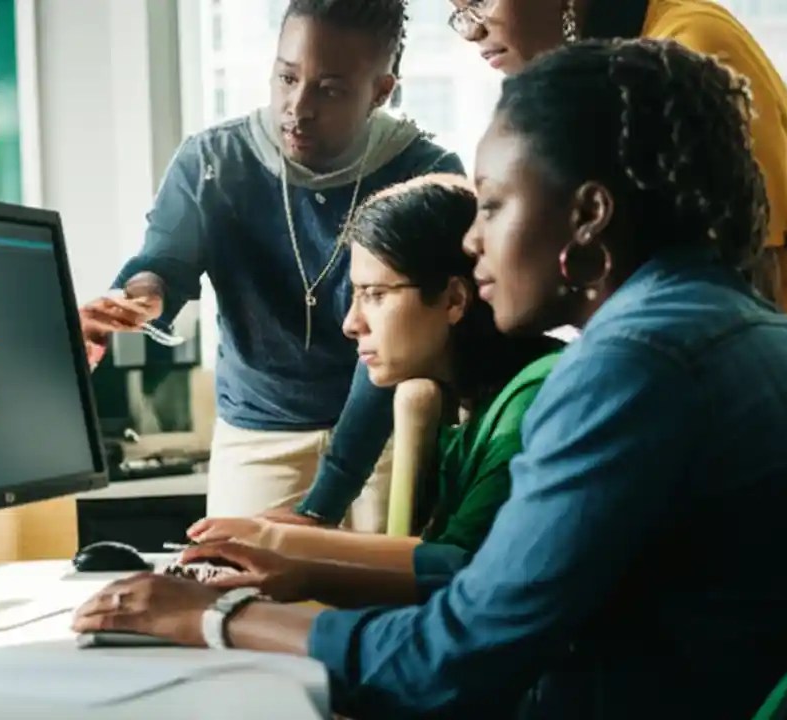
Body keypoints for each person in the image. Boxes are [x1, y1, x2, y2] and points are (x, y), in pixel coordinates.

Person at [72, 39, 787, 718]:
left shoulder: (631, 364)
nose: (470, 243)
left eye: (491, 206)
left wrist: (217, 616)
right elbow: (513, 582)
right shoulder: (764, 332)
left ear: (588, 216)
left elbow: (451, 657)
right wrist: (309, 565)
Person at [78, 0, 464, 531]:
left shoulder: (425, 172)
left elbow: (405, 344)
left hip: (389, 427)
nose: (297, 108)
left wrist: (323, 502)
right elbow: (164, 259)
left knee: (381, 580)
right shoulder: (212, 161)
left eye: (330, 90)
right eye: (286, 78)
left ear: (380, 91)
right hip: (258, 428)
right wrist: (141, 298)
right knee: (233, 576)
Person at [443, 0, 787, 419]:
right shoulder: (601, 78)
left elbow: (744, 282)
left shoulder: (687, 50)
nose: (471, 30)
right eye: (458, 13)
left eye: (481, 1)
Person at [186, 174, 562, 605]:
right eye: (355, 295)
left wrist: (279, 540)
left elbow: (466, 564)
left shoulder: (535, 398)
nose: (352, 323)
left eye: (375, 295)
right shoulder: (463, 409)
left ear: (454, 300)